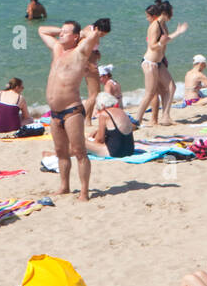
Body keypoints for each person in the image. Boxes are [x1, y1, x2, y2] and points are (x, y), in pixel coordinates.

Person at [40, 20, 108, 201]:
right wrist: (62, 30)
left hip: (72, 110)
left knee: (79, 152)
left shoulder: (80, 52)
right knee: (61, 152)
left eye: (65, 32)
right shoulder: (57, 50)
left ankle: (84, 192)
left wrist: (84, 34)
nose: (60, 34)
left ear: (76, 37)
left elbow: (93, 35)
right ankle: (64, 186)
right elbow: (42, 30)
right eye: (60, 31)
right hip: (54, 113)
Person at [86, 89, 138, 158]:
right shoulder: (121, 112)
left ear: (102, 105)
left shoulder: (105, 114)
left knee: (82, 142)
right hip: (130, 150)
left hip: (115, 153)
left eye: (99, 109)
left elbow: (99, 140)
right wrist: (97, 132)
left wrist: (91, 142)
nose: (99, 111)